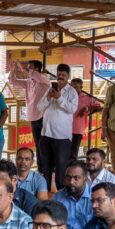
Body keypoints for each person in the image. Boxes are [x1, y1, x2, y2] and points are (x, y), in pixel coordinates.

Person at [37, 63, 78, 192]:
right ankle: (45, 191)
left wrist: (59, 98)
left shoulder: (72, 92)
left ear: (68, 76)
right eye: (59, 74)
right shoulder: (50, 89)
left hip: (62, 137)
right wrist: (49, 97)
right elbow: (39, 107)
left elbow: (72, 108)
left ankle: (61, 193)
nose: (60, 77)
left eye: (63, 75)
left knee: (61, 167)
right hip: (46, 135)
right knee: (45, 166)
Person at [8, 59, 50, 172]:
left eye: (31, 67)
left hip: (43, 117)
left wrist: (21, 67)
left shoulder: (44, 79)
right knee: (38, 145)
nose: (28, 69)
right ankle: (41, 169)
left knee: (44, 146)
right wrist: (13, 69)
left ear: (37, 69)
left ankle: (47, 168)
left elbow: (31, 73)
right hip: (33, 117)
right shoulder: (28, 82)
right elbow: (12, 81)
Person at [51, 160, 92, 229]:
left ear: (85, 179)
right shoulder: (57, 197)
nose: (71, 182)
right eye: (68, 177)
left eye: (76, 178)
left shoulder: (93, 197)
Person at [69, 78, 102, 159]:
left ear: (81, 87)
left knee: (73, 152)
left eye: (76, 86)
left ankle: (72, 169)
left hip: (77, 129)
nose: (74, 88)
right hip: (64, 129)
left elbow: (99, 107)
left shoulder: (87, 98)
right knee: (63, 151)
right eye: (72, 86)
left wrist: (88, 109)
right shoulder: (66, 97)